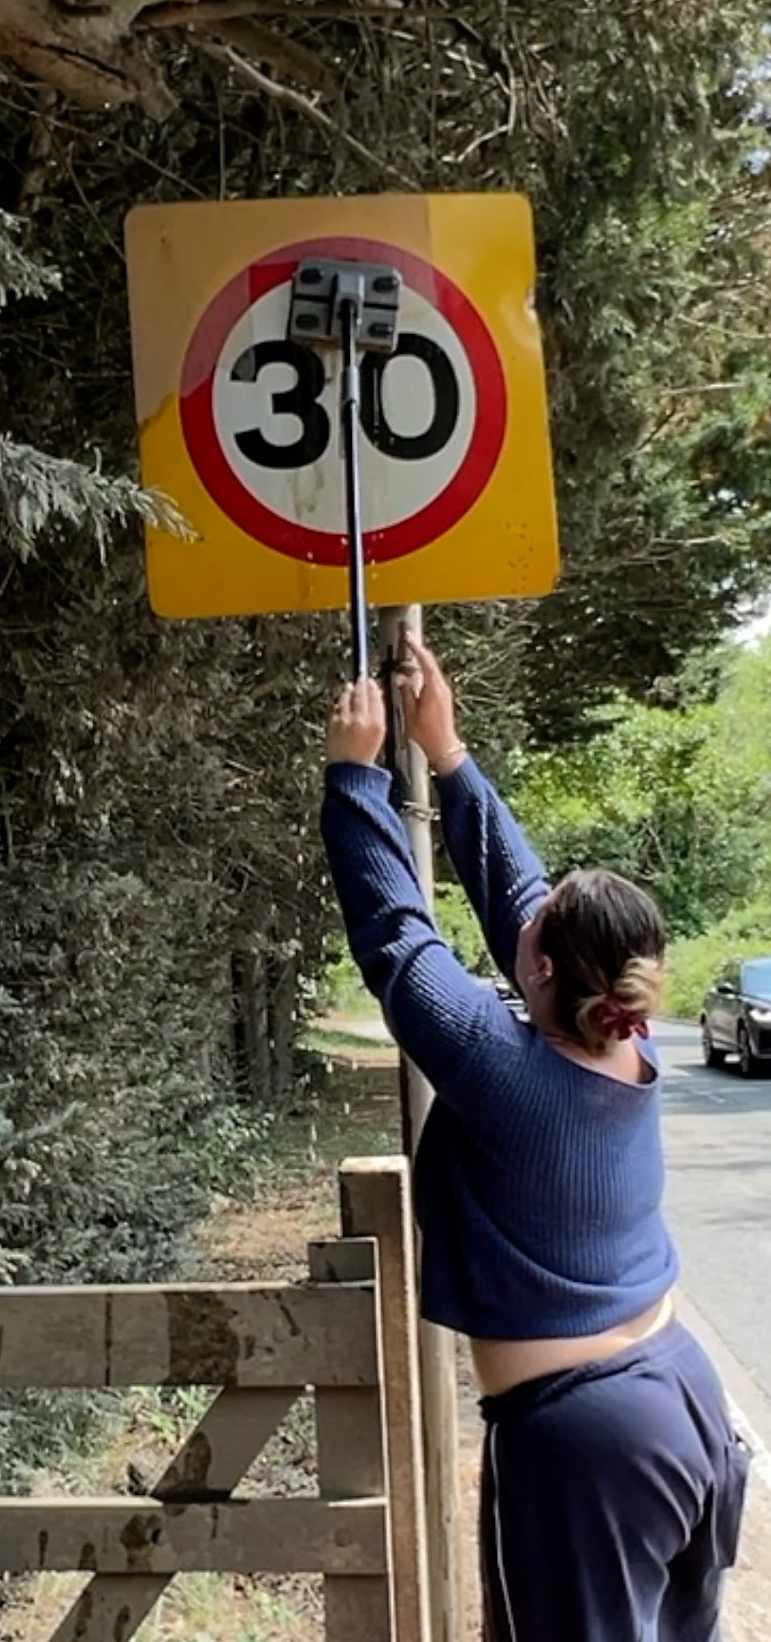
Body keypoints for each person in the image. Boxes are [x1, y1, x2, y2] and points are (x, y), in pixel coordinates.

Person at [321, 634, 749, 1642]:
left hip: (586, 1443)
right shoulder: (625, 1049)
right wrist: (448, 752)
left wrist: (354, 775)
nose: (530, 910)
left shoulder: (502, 1069)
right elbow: (526, 905)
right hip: (683, 1397)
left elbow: (395, 935)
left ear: (547, 973)